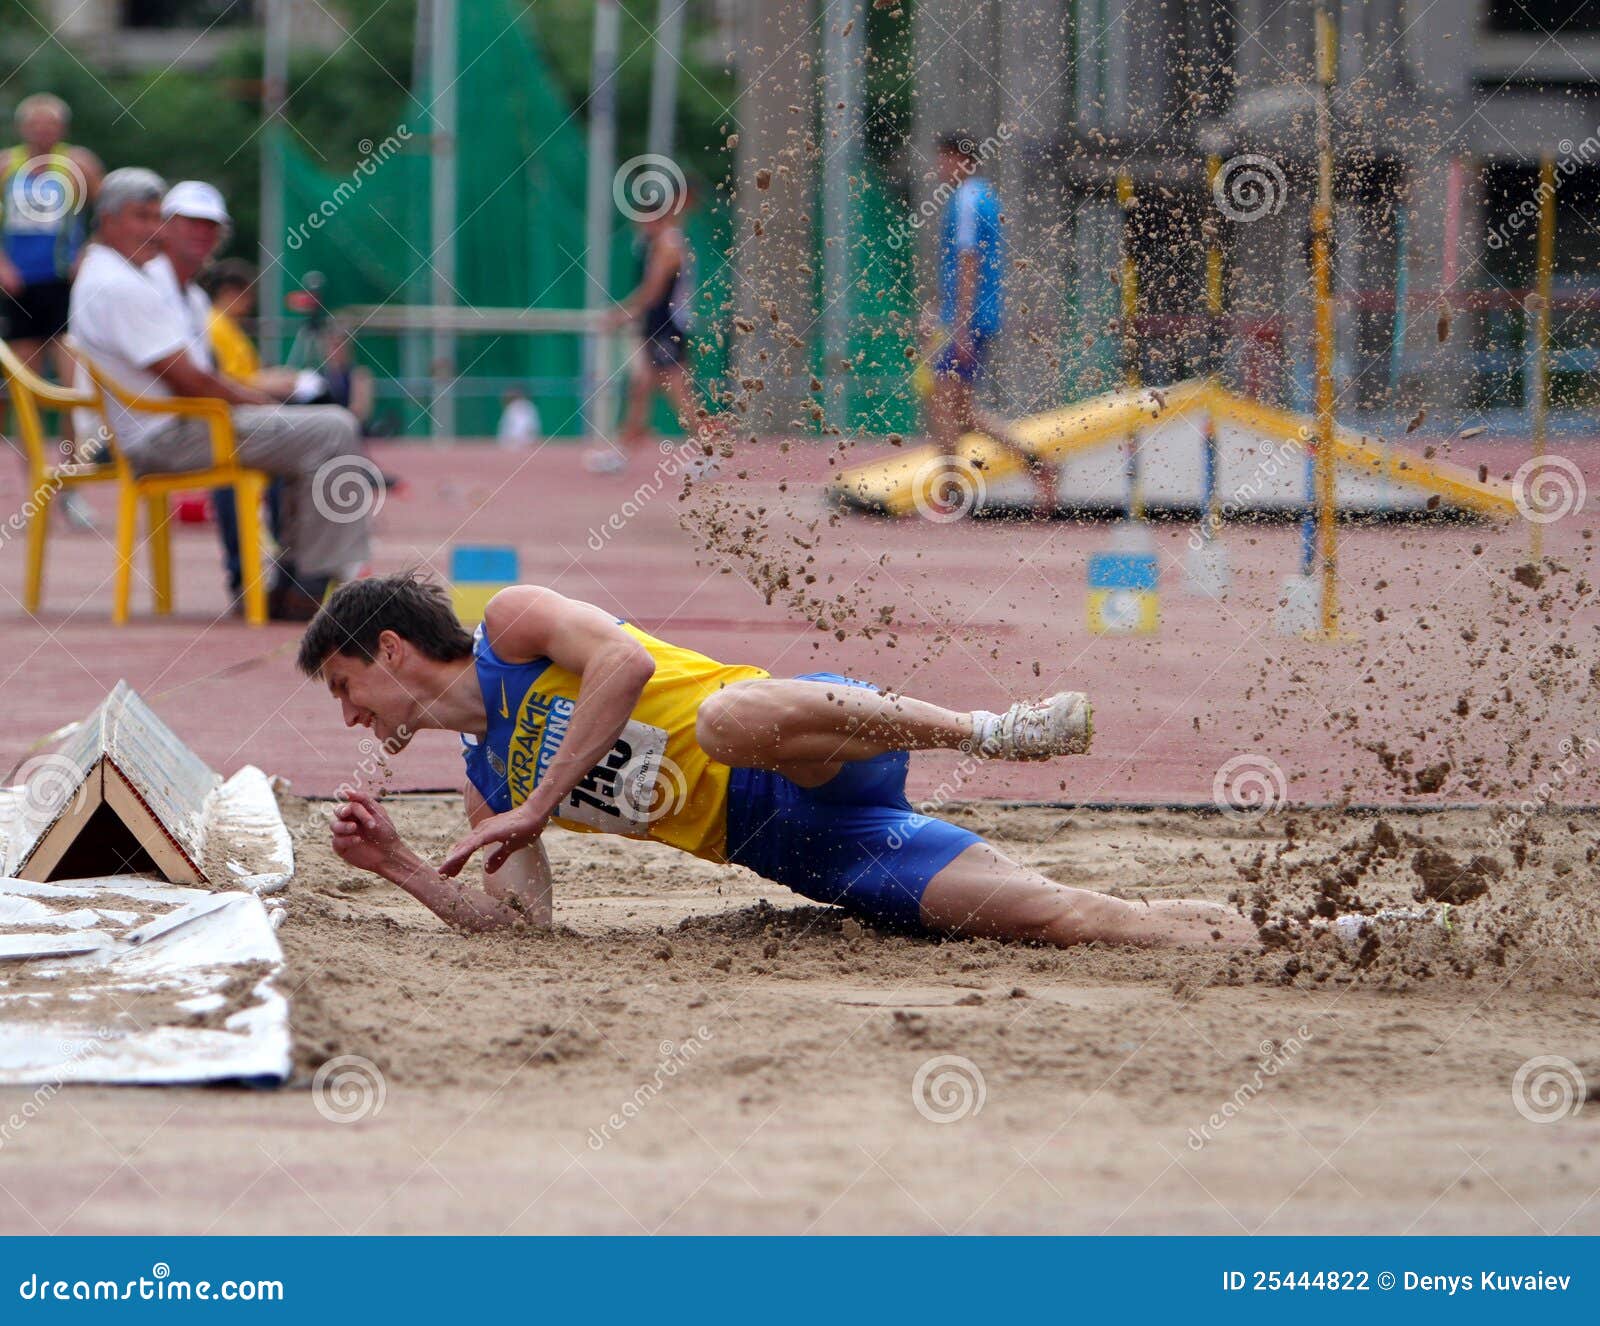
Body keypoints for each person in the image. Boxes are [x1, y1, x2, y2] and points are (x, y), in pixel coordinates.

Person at [297, 571, 1260, 949]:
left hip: (807, 743)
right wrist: (399, 866)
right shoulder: (482, 784)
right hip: (797, 846)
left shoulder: (512, 628)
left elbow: (626, 661)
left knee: (721, 720)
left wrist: (541, 801)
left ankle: (989, 731)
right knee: (1076, 921)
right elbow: (518, 925)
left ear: (389, 650)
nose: (348, 716)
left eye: (345, 686)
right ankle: (1307, 935)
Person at [68, 169, 370, 620]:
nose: (153, 228)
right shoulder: (121, 283)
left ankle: (293, 583)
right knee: (334, 428)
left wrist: (261, 402)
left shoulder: (133, 279)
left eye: (156, 216)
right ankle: (308, 587)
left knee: (309, 435)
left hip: (176, 422)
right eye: (144, 217)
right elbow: (190, 379)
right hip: (163, 435)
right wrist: (263, 402)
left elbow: (198, 378)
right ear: (108, 219)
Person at [926, 132, 1056, 520]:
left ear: (959, 159)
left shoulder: (967, 199)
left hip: (968, 320)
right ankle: (1036, 463)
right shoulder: (984, 197)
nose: (938, 169)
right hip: (971, 317)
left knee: (944, 404)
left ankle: (949, 491)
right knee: (961, 411)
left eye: (943, 160)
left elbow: (968, 262)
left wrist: (960, 326)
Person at [587, 178, 713, 475]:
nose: (638, 227)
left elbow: (653, 291)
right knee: (640, 387)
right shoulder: (658, 242)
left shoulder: (669, 245)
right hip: (655, 326)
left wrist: (621, 314)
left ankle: (709, 453)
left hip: (667, 326)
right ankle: (622, 451)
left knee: (677, 392)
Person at [0, 94, 101, 379]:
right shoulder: (7, 165)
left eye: (50, 124)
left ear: (63, 129)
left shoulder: (79, 164)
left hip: (65, 281)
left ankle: (78, 425)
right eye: (35, 124)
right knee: (24, 382)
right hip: (20, 285)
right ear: (22, 128)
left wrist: (87, 252)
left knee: (72, 381)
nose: (42, 130)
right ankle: (27, 426)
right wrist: (2, 265)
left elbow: (110, 211)